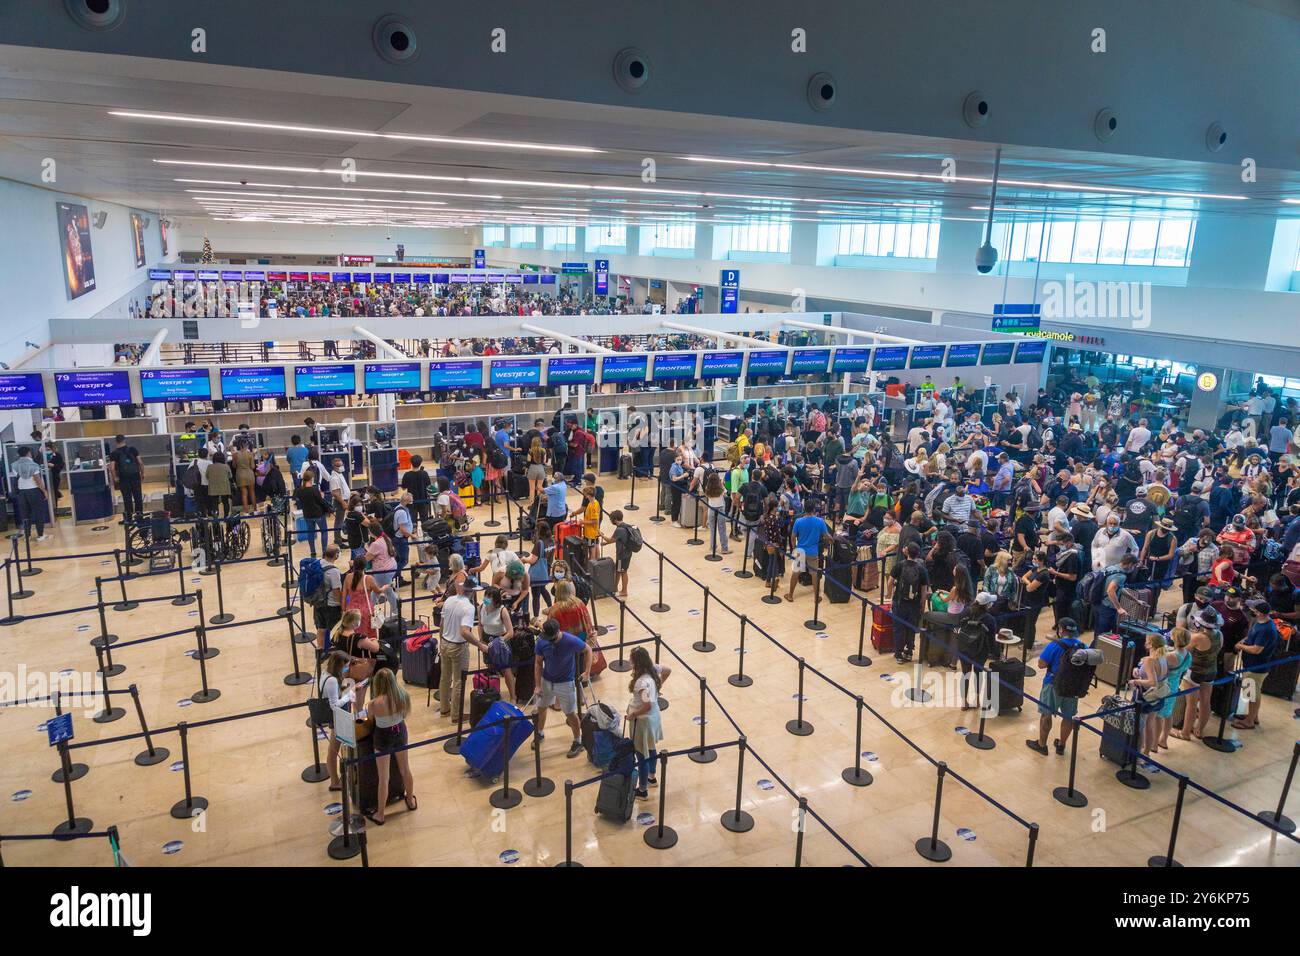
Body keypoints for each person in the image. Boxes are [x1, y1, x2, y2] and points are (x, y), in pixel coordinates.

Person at [1027, 617, 1087, 756]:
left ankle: (1042, 745)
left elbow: (1041, 664)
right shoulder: (1082, 646)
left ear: (1061, 630)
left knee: (1046, 714)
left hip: (1053, 684)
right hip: (1073, 687)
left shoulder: (1055, 645)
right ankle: (1061, 745)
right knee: (1068, 716)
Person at [532, 619, 590, 759]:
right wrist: (538, 685)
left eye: (552, 639)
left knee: (570, 713)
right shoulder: (542, 640)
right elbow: (538, 663)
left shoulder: (570, 640)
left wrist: (587, 672)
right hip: (547, 681)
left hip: (565, 683)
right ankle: (539, 732)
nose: (550, 641)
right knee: (541, 708)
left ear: (558, 632)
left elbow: (587, 649)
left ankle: (578, 741)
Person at [366, 667, 417, 825]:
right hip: (400, 731)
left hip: (382, 736)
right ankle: (410, 798)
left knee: (383, 777)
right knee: (405, 769)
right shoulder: (403, 696)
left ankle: (380, 814)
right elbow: (404, 715)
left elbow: (370, 721)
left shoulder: (374, 704)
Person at [626, 646, 671, 800]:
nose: (629, 660)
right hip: (654, 717)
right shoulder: (653, 669)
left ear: (637, 662)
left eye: (631, 658)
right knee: (651, 747)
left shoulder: (641, 683)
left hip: (643, 721)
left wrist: (633, 714)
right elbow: (668, 670)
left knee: (641, 755)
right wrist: (658, 688)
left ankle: (643, 789)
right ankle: (652, 777)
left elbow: (646, 705)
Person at [437, 576, 484, 722]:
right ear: (473, 592)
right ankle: (456, 715)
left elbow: (442, 624)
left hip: (445, 642)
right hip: (458, 646)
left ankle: (444, 708)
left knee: (445, 678)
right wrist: (480, 644)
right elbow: (465, 632)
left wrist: (441, 641)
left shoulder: (449, 600)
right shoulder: (468, 608)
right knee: (458, 681)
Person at [1174, 606, 1224, 741]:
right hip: (1211, 671)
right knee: (1205, 702)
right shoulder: (1219, 635)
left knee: (1191, 703)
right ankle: (1199, 730)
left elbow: (1183, 652)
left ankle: (1185, 733)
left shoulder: (1197, 637)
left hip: (1195, 672)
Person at [1233, 599, 1280, 731]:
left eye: (1253, 610)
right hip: (1251, 665)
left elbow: (1256, 649)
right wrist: (1245, 640)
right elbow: (1251, 639)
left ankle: (1249, 721)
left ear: (1259, 613)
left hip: (1256, 667)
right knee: (1252, 693)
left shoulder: (1266, 629)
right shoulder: (1262, 623)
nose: (1251, 611)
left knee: (1252, 694)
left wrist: (1240, 645)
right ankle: (1253, 716)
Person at [891, 542, 929, 663]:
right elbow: (924, 590)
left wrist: (889, 595)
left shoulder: (900, 565)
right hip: (914, 603)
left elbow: (889, 582)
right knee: (911, 628)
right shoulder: (922, 570)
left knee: (898, 628)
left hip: (899, 601)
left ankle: (898, 654)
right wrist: (922, 605)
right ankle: (909, 652)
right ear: (918, 554)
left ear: (907, 551)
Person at [317, 649, 349, 791]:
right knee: (333, 750)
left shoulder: (326, 673)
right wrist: (349, 695)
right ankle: (335, 782)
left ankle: (337, 778)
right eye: (345, 666)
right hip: (336, 718)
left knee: (335, 748)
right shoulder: (331, 681)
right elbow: (334, 705)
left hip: (337, 717)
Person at [786, 499, 829, 602]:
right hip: (813, 551)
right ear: (814, 509)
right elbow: (826, 535)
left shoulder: (798, 521)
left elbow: (792, 536)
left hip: (800, 550)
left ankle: (790, 595)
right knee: (814, 574)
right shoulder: (820, 521)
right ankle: (816, 597)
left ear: (804, 509)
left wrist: (794, 548)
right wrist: (833, 540)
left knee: (795, 573)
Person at [1093, 552, 1138, 636]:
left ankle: (1093, 648)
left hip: (1098, 603)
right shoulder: (1121, 576)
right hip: (1107, 608)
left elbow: (1120, 589)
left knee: (1098, 632)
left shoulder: (1110, 568)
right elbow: (1110, 590)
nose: (1133, 568)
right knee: (1103, 635)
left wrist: (1135, 600)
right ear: (1130, 564)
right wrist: (1119, 608)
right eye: (1134, 566)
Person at [12, 446, 50, 541]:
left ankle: (27, 536)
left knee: (25, 514)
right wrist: (44, 491)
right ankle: (40, 535)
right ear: (29, 453)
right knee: (38, 513)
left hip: (22, 492)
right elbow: (37, 479)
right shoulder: (34, 465)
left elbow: (16, 478)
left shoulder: (14, 465)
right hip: (34, 491)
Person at [294, 468, 330, 557]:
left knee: (310, 533)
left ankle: (312, 552)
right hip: (318, 514)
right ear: (311, 479)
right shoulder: (314, 490)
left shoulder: (300, 490)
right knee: (324, 532)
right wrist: (327, 508)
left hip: (307, 514)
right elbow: (321, 502)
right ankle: (324, 551)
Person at [106, 434, 144, 519]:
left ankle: (129, 517)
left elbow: (112, 468)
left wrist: (115, 477)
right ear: (124, 440)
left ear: (116, 442)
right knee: (137, 495)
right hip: (135, 476)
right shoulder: (133, 449)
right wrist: (142, 473)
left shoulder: (114, 454)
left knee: (127, 497)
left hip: (123, 478)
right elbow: (140, 463)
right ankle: (139, 515)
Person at [601, 509, 637, 598]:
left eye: (611, 520)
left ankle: (624, 590)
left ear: (615, 520)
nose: (611, 522)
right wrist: (606, 544)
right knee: (618, 570)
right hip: (627, 552)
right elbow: (617, 539)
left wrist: (601, 535)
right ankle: (615, 587)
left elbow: (610, 539)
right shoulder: (626, 526)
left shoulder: (619, 530)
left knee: (623, 571)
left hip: (622, 555)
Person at [314, 543, 344, 648]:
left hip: (318, 603)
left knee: (321, 629)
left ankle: (320, 651)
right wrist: (342, 605)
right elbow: (336, 591)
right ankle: (336, 652)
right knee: (335, 630)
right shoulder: (334, 571)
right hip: (331, 606)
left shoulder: (318, 563)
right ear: (336, 555)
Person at [524, 522, 556, 616]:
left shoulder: (539, 543)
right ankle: (551, 607)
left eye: (537, 530)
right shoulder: (552, 541)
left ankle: (536, 617)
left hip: (537, 573)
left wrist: (523, 560)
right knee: (542, 589)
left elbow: (532, 560)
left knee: (536, 595)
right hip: (546, 570)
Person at [702, 470, 730, 556]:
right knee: (722, 529)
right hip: (720, 508)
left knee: (712, 530)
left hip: (711, 508)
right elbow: (725, 493)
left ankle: (713, 547)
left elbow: (706, 495)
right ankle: (724, 548)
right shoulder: (721, 487)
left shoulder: (707, 488)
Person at [401, 454, 432, 522]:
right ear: (420, 463)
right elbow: (429, 487)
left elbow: (403, 488)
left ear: (411, 463)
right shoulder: (424, 474)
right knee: (425, 522)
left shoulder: (407, 475)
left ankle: (413, 532)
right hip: (423, 501)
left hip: (411, 502)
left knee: (413, 522)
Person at [326, 458, 349, 545]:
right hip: (340, 502)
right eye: (339, 466)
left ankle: (339, 537)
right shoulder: (334, 478)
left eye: (341, 465)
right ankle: (338, 541)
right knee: (339, 521)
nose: (341, 467)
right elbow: (335, 493)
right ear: (334, 467)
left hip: (343, 500)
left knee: (340, 520)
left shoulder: (339, 474)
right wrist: (343, 503)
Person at [206, 450, 233, 517]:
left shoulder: (210, 467)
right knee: (225, 502)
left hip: (213, 487)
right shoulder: (226, 466)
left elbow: (207, 476)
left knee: (214, 503)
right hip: (224, 487)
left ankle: (216, 517)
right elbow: (230, 476)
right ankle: (226, 516)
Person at [232, 442, 256, 513]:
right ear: (247, 446)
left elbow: (234, 466)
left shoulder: (235, 455)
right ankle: (255, 510)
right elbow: (252, 466)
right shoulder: (250, 454)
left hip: (240, 475)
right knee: (252, 492)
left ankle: (246, 511)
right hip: (249, 474)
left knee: (244, 494)